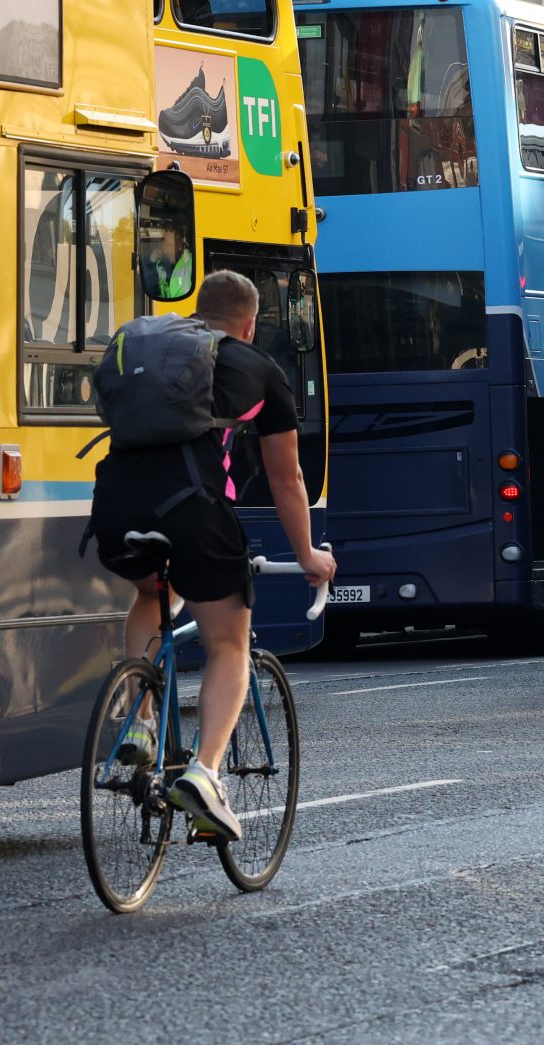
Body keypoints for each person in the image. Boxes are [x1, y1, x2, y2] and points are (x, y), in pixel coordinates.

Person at [88, 270, 335, 840]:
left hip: (117, 506)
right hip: (194, 511)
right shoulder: (259, 371)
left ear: (199, 312)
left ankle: (140, 721)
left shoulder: (158, 355)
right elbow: (287, 476)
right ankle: (204, 772)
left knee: (155, 591)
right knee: (228, 643)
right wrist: (307, 555)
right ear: (249, 324)